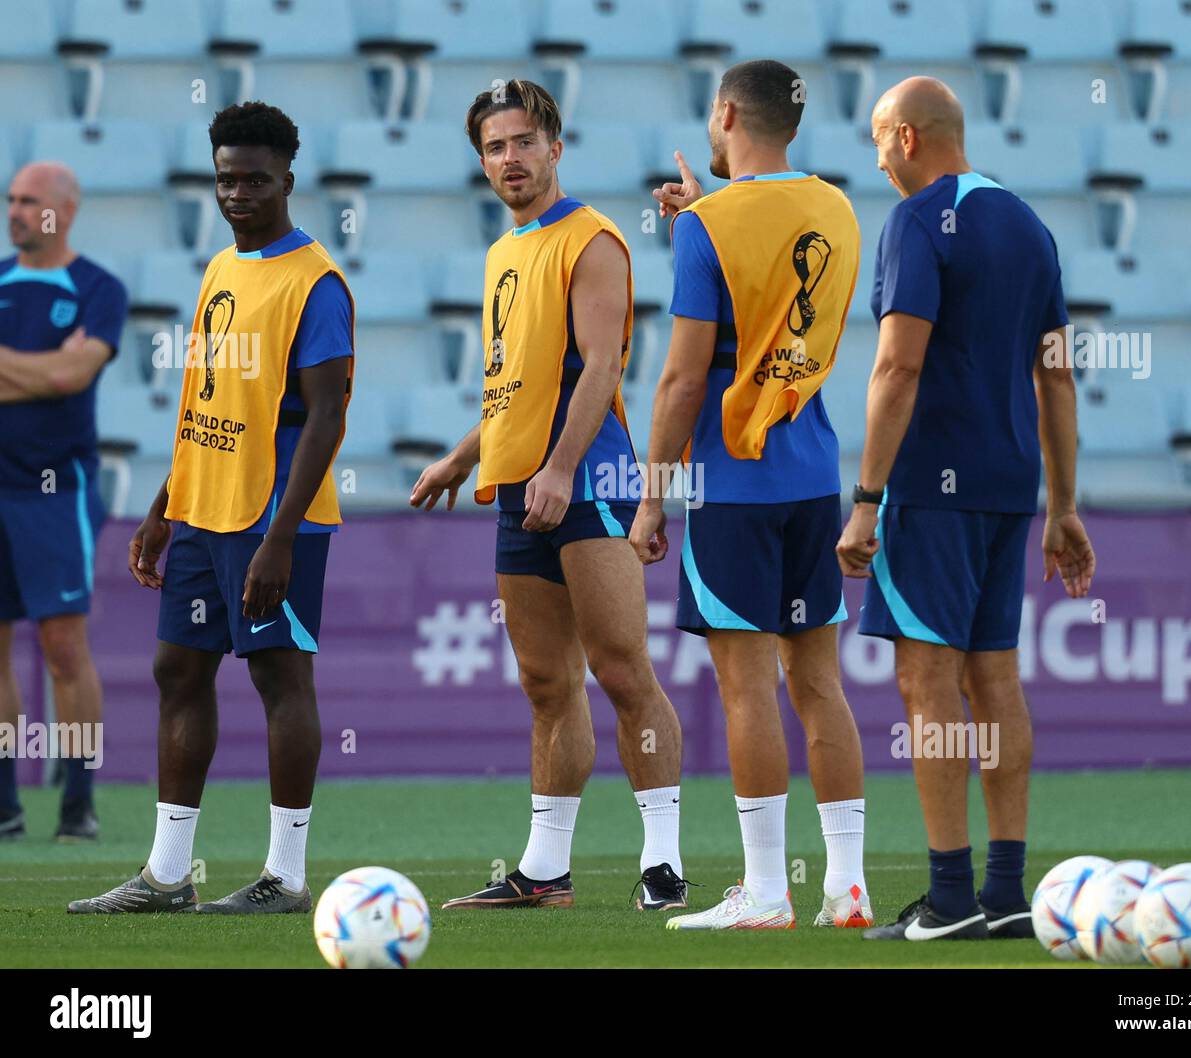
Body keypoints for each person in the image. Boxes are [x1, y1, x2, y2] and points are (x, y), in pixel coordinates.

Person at [68, 101, 354, 914]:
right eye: (226, 180)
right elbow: (204, 399)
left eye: (254, 180)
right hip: (202, 512)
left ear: (287, 181)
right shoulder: (221, 269)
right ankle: (166, 876)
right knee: (177, 671)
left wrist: (282, 536)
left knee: (278, 676)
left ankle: (287, 878)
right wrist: (165, 503)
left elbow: (327, 417)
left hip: (272, 521)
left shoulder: (315, 282)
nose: (237, 194)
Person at [414, 80, 689, 912]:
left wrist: (563, 468)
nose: (510, 160)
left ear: (555, 147)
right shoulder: (505, 252)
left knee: (621, 669)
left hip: (589, 479)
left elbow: (602, 368)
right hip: (519, 485)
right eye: (494, 148)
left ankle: (663, 866)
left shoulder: (593, 239)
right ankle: (545, 872)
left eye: (524, 142)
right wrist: (466, 456)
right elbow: (517, 385)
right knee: (545, 681)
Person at [836, 77, 1096, 941]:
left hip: (931, 488)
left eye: (879, 139)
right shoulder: (1030, 225)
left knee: (926, 680)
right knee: (996, 678)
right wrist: (1064, 507)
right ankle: (1008, 892)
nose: (876, 157)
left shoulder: (915, 223)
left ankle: (950, 899)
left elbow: (897, 368)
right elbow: (1056, 374)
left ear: (909, 137)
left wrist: (866, 498)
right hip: (1011, 486)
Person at [631, 59, 871, 930]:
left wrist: (653, 495)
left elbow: (682, 380)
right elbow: (785, 298)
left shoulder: (707, 230)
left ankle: (766, 891)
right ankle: (847, 885)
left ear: (725, 112)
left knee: (746, 690)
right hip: (813, 472)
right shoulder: (839, 208)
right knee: (819, 684)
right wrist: (709, 211)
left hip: (731, 481)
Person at [0, 162, 126, 842]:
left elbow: (72, 374)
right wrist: (42, 372)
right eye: (11, 200)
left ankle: (77, 801)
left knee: (61, 647)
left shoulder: (97, 289)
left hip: (56, 490)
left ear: (64, 213)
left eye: (29, 202)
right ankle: (4, 805)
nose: (15, 211)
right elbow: (52, 373)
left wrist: (54, 374)